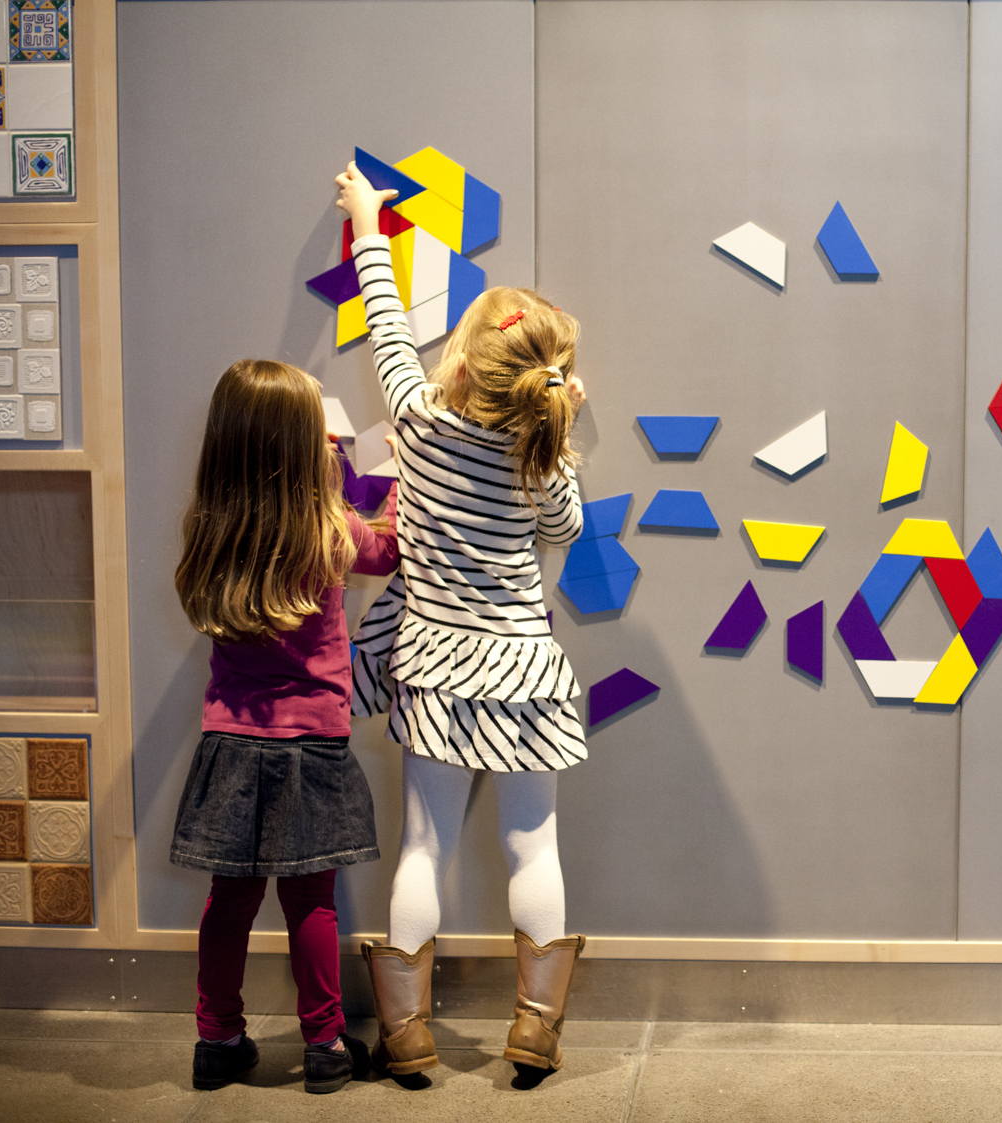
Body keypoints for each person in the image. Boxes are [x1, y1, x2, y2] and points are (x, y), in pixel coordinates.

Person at [335, 161, 591, 1082]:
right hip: (522, 670)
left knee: (423, 847)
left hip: (435, 666)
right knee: (533, 847)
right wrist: (557, 438)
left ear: (464, 360)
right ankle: (535, 1030)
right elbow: (565, 531)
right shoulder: (538, 457)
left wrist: (369, 222)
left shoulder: (413, 421)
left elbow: (386, 322)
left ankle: (407, 1033)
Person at [170, 359, 399, 1095]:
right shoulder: (329, 529)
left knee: (230, 899)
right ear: (305, 446)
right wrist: (400, 476)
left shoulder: (211, 530)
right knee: (311, 901)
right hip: (314, 743)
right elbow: (390, 549)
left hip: (229, 741)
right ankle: (324, 1043)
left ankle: (217, 1039)